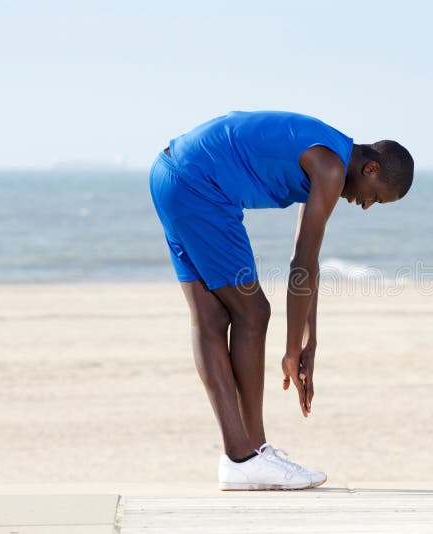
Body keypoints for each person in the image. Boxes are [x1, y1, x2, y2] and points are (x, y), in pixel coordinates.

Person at [148, 110, 414, 490]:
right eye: (376, 198)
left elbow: (308, 259)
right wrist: (292, 352)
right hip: (199, 186)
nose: (366, 205)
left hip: (169, 173)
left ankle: (241, 458)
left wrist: (311, 340)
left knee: (210, 318)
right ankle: (249, 454)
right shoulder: (329, 168)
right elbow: (301, 264)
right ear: (371, 168)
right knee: (253, 312)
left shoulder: (330, 154)